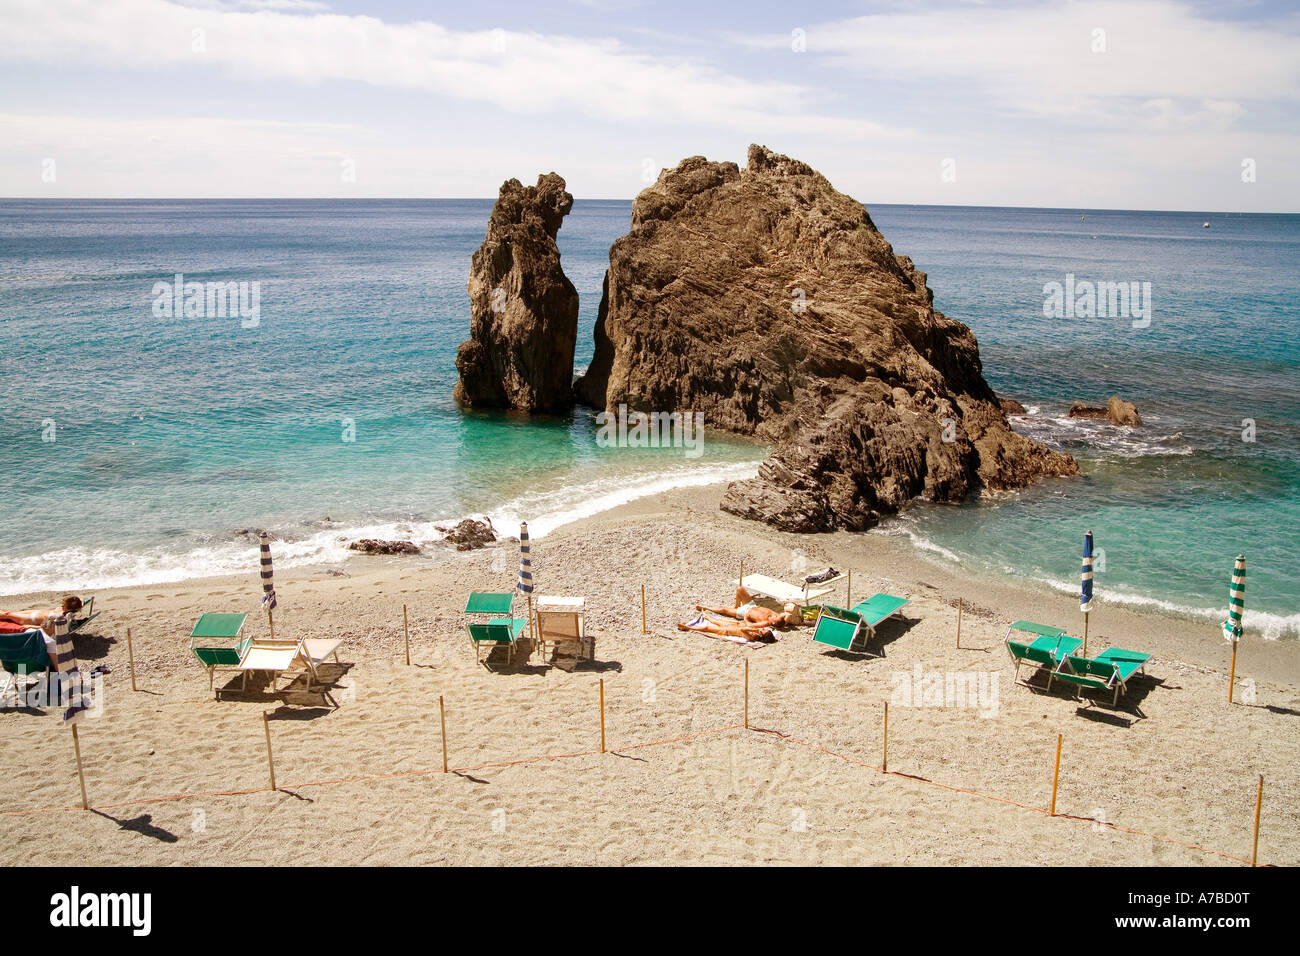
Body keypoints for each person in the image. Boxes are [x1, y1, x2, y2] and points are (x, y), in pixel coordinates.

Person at [696, 586, 799, 629]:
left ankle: (705, 607)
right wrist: (785, 621)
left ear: (772, 623)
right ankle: (735, 605)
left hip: (744, 612)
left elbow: (749, 626)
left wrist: (746, 617)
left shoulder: (765, 622)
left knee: (724, 610)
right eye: (775, 615)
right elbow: (788, 614)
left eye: (773, 617)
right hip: (752, 605)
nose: (773, 615)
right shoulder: (778, 618)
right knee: (740, 589)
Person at [676, 611, 775, 643]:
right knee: (715, 620)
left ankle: (687, 627)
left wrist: (752, 629)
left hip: (727, 631)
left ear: (761, 635)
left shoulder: (753, 637)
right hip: (731, 625)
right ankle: (705, 615)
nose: (761, 629)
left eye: (763, 631)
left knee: (707, 628)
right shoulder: (755, 631)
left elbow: (742, 630)